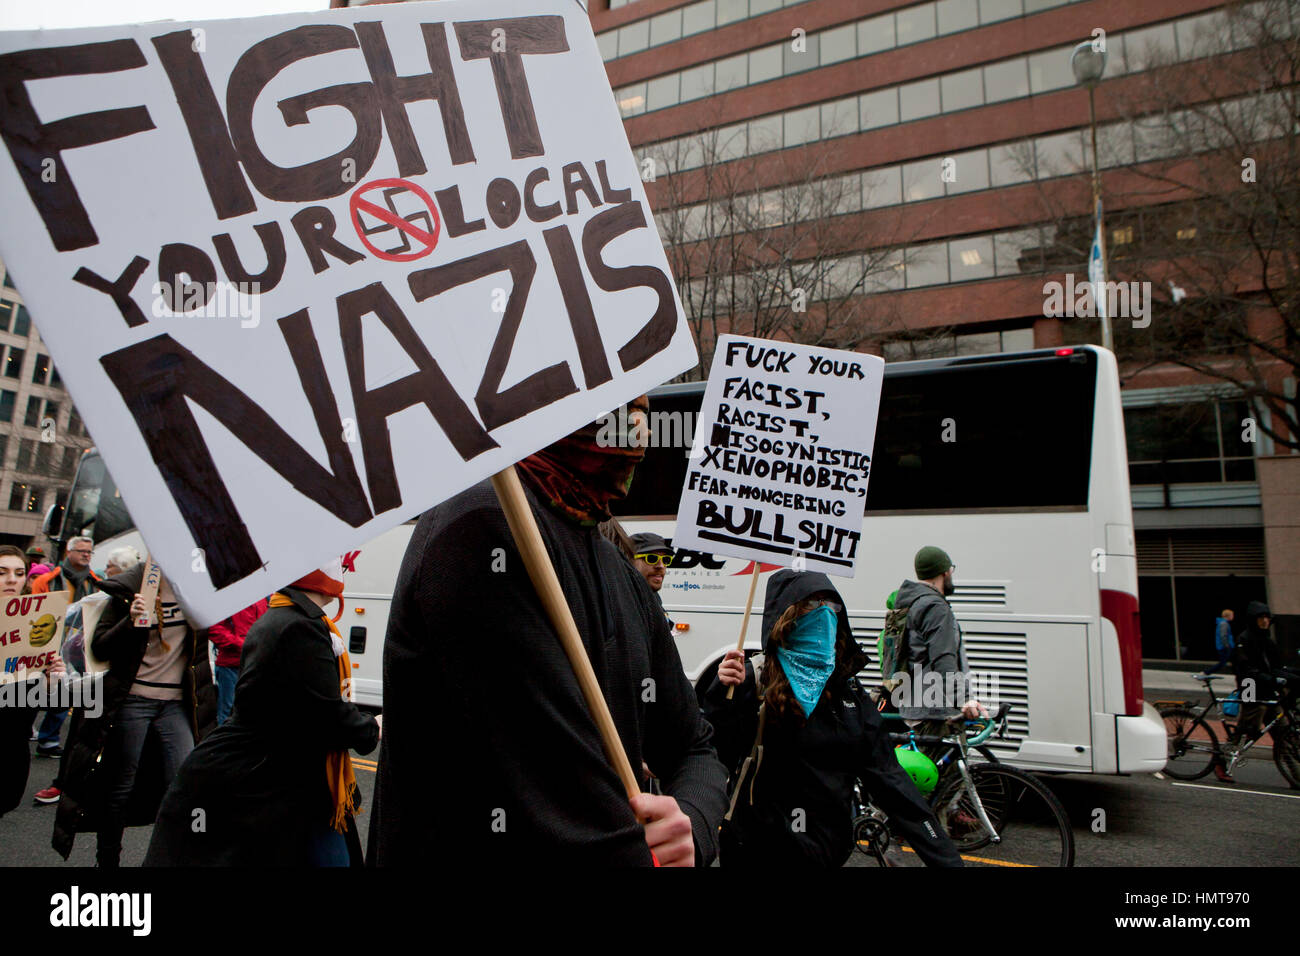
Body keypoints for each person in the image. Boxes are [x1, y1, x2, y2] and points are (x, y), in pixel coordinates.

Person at [368, 398, 729, 866]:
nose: (637, 425)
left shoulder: (610, 558)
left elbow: (695, 747)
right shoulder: (480, 529)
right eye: (618, 405)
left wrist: (692, 829)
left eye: (641, 404)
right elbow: (569, 819)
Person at [702, 569, 963, 868]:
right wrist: (722, 698)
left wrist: (944, 858)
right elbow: (715, 752)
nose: (825, 616)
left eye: (833, 608)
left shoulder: (849, 694)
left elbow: (890, 781)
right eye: (813, 607)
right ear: (788, 617)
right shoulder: (752, 682)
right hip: (759, 850)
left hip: (827, 853)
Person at [145, 559, 379, 866]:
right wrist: (371, 727)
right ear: (317, 576)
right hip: (258, 782)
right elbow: (328, 717)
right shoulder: (297, 627)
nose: (346, 568)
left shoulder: (290, 618)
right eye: (338, 562)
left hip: (283, 780)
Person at [51, 563, 210, 866]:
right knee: (119, 787)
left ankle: (169, 858)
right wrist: (130, 620)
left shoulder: (197, 591)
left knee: (185, 784)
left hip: (175, 703)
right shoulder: (130, 591)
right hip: (133, 699)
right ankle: (108, 859)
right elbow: (99, 648)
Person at [887, 546, 986, 753]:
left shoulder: (911, 603)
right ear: (944, 572)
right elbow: (943, 658)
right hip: (936, 711)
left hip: (915, 706)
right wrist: (964, 700)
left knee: (930, 778)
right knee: (949, 781)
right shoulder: (936, 608)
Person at [0, 545, 64, 818]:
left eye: (19, 572)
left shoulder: (37, 621)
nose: (11, 579)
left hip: (13, 739)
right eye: (2, 573)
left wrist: (51, 678)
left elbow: (35, 695)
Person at [30, 536, 102, 758]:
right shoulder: (47, 580)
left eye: (89, 552)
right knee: (35, 687)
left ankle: (48, 740)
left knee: (65, 693)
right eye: (81, 551)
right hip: (47, 642)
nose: (86, 555)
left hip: (76, 647)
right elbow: (34, 609)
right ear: (68, 553)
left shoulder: (96, 581)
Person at [1218, 601, 1286, 783]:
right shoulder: (1244, 640)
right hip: (1251, 688)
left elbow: (1276, 666)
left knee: (1283, 732)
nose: (1265, 621)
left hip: (1268, 691)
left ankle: (1295, 776)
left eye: (1267, 618)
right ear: (1253, 619)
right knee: (1246, 730)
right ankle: (1222, 762)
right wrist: (1267, 680)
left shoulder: (1268, 641)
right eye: (1261, 618)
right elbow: (1245, 670)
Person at [206, 598, 269, 725]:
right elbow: (213, 628)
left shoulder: (266, 596)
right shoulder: (229, 597)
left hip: (256, 665)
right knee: (228, 713)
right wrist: (239, 643)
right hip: (231, 666)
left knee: (255, 711)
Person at [1204, 609, 1235, 676]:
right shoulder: (1224, 624)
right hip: (1224, 647)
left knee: (1228, 662)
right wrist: (1227, 646)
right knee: (1222, 663)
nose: (1233, 617)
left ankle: (1206, 672)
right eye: (1232, 615)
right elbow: (1223, 636)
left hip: (1223, 646)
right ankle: (1206, 672)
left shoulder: (1222, 623)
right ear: (1228, 616)